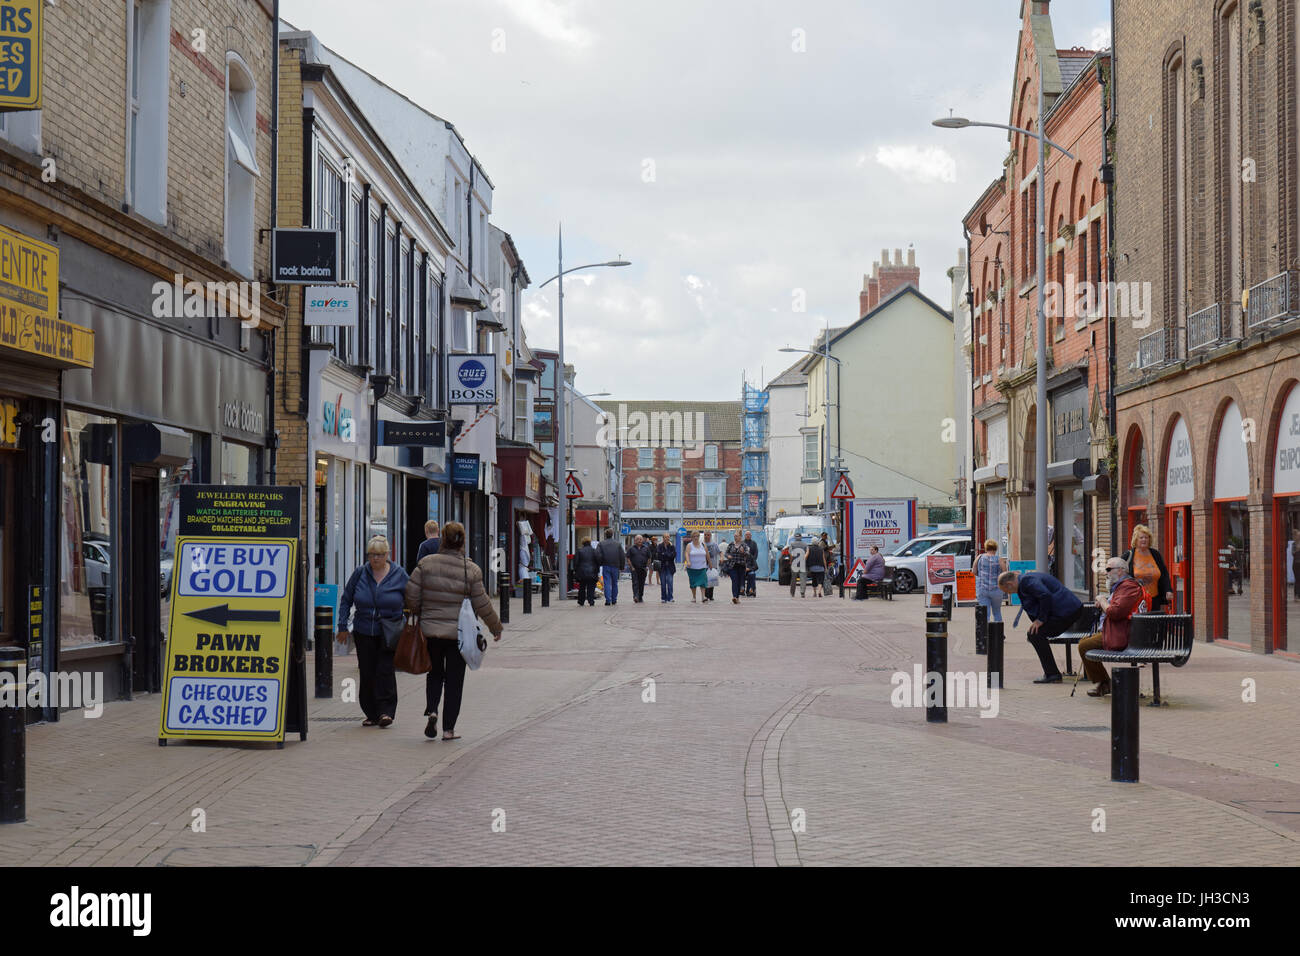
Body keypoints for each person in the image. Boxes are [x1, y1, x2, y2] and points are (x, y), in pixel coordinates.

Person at [404, 521, 502, 741]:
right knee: (455, 680)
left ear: (442, 539)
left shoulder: (426, 564)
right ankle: (448, 730)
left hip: (430, 631)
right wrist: (495, 627)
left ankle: (432, 709)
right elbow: (482, 603)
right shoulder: (471, 569)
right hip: (459, 635)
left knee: (435, 672)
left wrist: (420, 610)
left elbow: (410, 593)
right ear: (462, 541)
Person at [337, 536, 409, 728]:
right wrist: (342, 626)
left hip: (389, 630)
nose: (375, 559)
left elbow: (411, 598)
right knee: (367, 671)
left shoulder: (399, 574)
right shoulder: (360, 573)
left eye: (379, 555)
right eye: (372, 555)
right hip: (364, 630)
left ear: (387, 555)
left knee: (385, 670)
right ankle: (371, 712)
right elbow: (346, 599)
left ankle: (386, 712)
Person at [1080, 557, 1150, 698]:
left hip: (1126, 634)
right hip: (1122, 631)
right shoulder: (1122, 586)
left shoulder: (1128, 586)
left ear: (1120, 571)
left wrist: (1103, 600)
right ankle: (1104, 683)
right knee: (1085, 642)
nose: (1106, 573)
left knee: (1084, 645)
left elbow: (1115, 612)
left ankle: (1105, 683)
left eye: (1108, 569)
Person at [997, 569, 1083, 683]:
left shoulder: (1027, 581)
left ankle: (1052, 674)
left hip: (1067, 612)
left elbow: (1044, 595)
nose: (1009, 593)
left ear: (1009, 584)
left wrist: (1040, 620)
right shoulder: (1026, 581)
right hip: (1067, 611)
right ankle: (1052, 673)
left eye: (1007, 591)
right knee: (1035, 634)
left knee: (1035, 634)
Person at [1121, 524, 1174, 612]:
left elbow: (1164, 574)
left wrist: (1168, 590)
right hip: (1136, 599)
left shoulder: (1155, 554)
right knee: (1140, 624)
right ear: (1136, 539)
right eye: (1141, 538)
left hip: (1154, 598)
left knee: (1153, 623)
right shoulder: (1128, 555)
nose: (1144, 540)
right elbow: (1118, 571)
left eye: (1146, 537)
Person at [974, 539, 1007, 623]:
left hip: (982, 589)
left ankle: (986, 633)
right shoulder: (1000, 559)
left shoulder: (979, 557)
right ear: (995, 548)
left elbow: (974, 572)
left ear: (986, 548)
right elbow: (1005, 574)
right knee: (997, 612)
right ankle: (998, 633)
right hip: (997, 590)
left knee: (985, 614)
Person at [596, 528, 626, 606]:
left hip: (606, 565)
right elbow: (622, 556)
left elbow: (598, 555)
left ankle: (608, 600)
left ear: (605, 535)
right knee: (614, 583)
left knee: (607, 583)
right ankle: (614, 599)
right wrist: (622, 566)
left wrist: (599, 563)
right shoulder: (618, 544)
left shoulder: (601, 544)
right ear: (612, 534)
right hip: (615, 566)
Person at [574, 537, 600, 606]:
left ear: (583, 543)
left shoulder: (579, 551)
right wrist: (597, 571)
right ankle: (591, 600)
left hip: (582, 572)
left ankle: (581, 601)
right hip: (592, 572)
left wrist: (576, 571)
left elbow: (576, 563)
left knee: (582, 587)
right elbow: (598, 561)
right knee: (591, 587)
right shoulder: (594, 551)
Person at [684, 530, 709, 603]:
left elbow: (707, 554)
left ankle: (703, 596)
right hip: (692, 568)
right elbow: (686, 554)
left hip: (702, 567)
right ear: (691, 537)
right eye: (694, 536)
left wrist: (710, 563)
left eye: (697, 536)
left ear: (699, 537)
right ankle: (694, 597)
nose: (696, 538)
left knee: (703, 582)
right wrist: (688, 561)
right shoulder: (689, 545)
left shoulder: (703, 544)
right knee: (693, 583)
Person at [724, 531, 749, 604]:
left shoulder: (744, 545)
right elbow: (726, 552)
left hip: (741, 566)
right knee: (734, 581)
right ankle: (734, 596)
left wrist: (743, 552)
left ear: (740, 537)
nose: (735, 537)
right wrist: (728, 556)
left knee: (739, 582)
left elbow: (747, 554)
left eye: (737, 536)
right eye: (734, 536)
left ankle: (737, 597)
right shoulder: (731, 544)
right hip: (732, 566)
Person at [627, 534, 652, 603]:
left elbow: (649, 558)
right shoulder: (631, 548)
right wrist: (631, 567)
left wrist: (647, 567)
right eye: (637, 539)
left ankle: (640, 596)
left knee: (641, 583)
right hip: (634, 569)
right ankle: (635, 596)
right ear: (635, 541)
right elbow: (628, 558)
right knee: (635, 583)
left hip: (643, 569)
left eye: (640, 539)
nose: (639, 540)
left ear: (642, 540)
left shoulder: (646, 548)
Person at [656, 534, 677, 602]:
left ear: (669, 538)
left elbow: (673, 556)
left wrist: (664, 554)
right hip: (662, 567)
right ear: (663, 538)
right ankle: (663, 598)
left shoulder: (672, 546)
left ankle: (670, 597)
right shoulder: (660, 546)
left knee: (670, 582)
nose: (667, 538)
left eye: (668, 537)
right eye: (665, 537)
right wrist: (668, 554)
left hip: (670, 567)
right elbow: (659, 556)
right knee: (663, 583)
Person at [788, 533, 809, 598]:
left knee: (793, 579)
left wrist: (791, 561)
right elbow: (808, 552)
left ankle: (792, 593)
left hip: (794, 564)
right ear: (801, 537)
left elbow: (791, 554)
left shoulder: (792, 544)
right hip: (802, 564)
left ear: (795, 537)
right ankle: (802, 592)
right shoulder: (805, 544)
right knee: (803, 579)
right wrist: (804, 559)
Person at [703, 531, 720, 602]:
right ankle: (706, 595)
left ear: (710, 536)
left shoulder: (714, 544)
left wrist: (721, 557)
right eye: (705, 535)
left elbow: (719, 552)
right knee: (705, 581)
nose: (706, 536)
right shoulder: (702, 544)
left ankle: (711, 595)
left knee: (712, 581)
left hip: (712, 565)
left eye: (708, 535)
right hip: (704, 565)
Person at [743, 531, 759, 597]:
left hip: (751, 564)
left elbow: (756, 553)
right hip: (743, 564)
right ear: (745, 535)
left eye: (749, 534)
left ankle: (751, 590)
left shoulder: (754, 543)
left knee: (752, 574)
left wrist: (752, 560)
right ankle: (742, 589)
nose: (748, 536)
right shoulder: (742, 543)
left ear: (751, 535)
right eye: (746, 534)